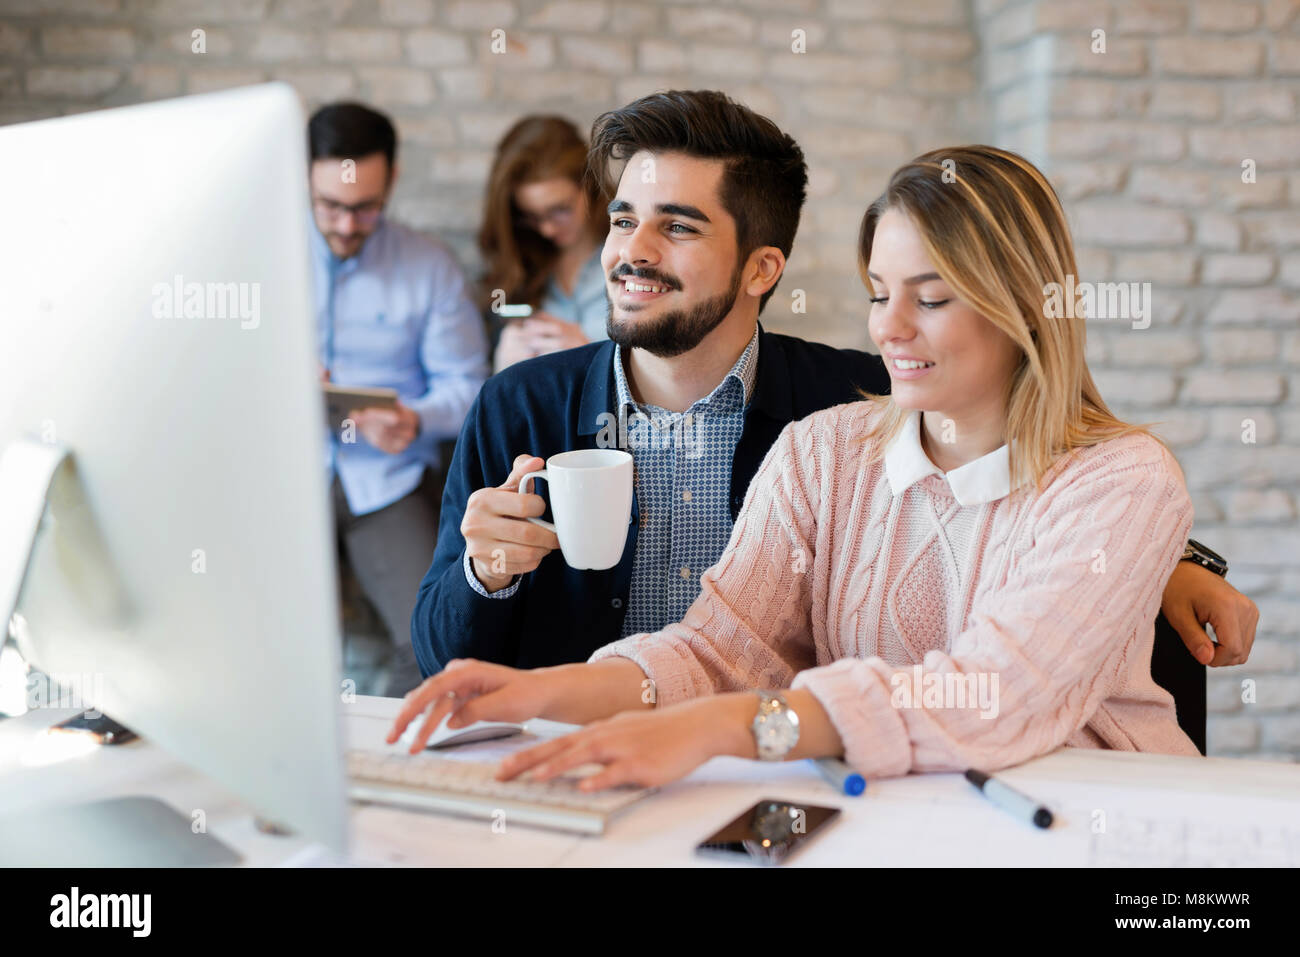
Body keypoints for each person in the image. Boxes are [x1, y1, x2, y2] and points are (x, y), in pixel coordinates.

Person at [406, 91, 1255, 711]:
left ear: (762, 269)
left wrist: (1167, 566)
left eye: (678, 226)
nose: (632, 251)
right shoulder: (520, 406)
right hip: (602, 751)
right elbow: (441, 654)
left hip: (785, 768)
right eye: (624, 220)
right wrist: (486, 574)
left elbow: (1028, 460)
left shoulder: (857, 404)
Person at [307, 101, 490, 697]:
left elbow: (469, 390)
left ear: (391, 183)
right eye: (330, 205)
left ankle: (388, 764)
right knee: (235, 629)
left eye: (365, 208)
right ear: (305, 178)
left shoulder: (429, 267)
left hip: (384, 476)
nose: (345, 224)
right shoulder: (256, 259)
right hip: (278, 475)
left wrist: (416, 419)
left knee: (432, 638)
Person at [478, 116, 610, 371]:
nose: (546, 229)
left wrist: (590, 352)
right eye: (532, 216)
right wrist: (503, 366)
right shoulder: (519, 265)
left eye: (560, 209)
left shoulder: (630, 253)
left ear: (588, 185)